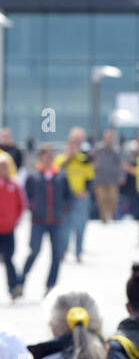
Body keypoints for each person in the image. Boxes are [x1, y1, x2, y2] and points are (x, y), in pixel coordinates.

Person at [19, 145, 72, 298]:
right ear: (40, 157)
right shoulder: (33, 176)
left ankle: (51, 286)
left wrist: (64, 208)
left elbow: (68, 196)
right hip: (38, 220)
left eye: (52, 155)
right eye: (46, 155)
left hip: (57, 221)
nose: (49, 158)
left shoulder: (61, 176)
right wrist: (32, 207)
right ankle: (21, 281)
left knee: (56, 254)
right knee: (34, 252)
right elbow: (26, 196)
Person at [53, 127, 95, 263]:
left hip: (80, 197)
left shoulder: (83, 159)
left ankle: (78, 252)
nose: (74, 147)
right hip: (65, 198)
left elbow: (90, 178)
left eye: (76, 145)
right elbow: (55, 173)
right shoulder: (60, 158)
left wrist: (86, 190)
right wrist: (68, 158)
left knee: (80, 226)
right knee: (65, 226)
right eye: (71, 144)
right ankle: (63, 251)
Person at [0, 155, 25, 300]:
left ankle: (13, 287)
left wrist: (15, 220)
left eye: (5, 166)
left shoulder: (14, 185)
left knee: (9, 259)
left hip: (9, 230)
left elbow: (21, 205)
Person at [91, 129, 125, 223]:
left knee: (113, 198)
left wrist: (121, 176)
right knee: (101, 199)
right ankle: (104, 218)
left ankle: (112, 213)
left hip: (112, 179)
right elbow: (91, 160)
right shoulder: (98, 148)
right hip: (100, 178)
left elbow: (120, 164)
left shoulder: (116, 150)